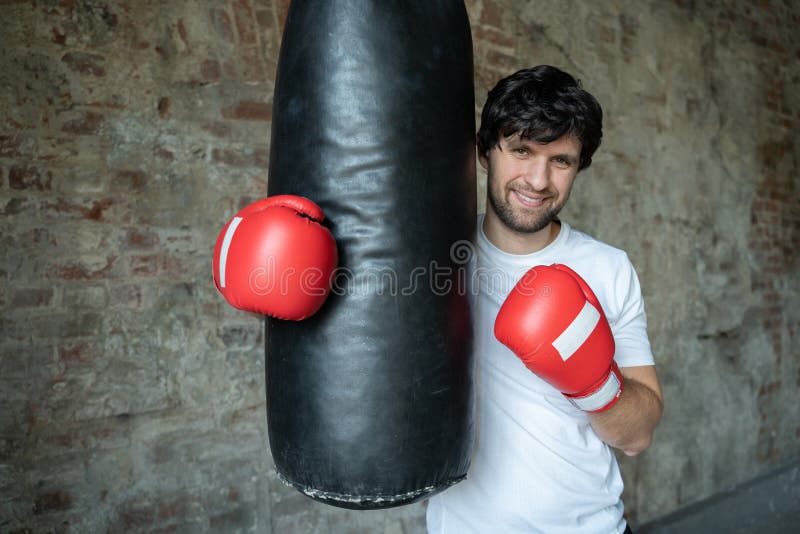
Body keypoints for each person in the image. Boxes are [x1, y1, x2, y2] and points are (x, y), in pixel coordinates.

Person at [426, 65, 663, 533]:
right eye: (521, 151)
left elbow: (637, 435)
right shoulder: (435, 260)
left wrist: (593, 382)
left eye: (561, 161)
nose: (538, 181)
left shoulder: (608, 268)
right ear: (484, 151)